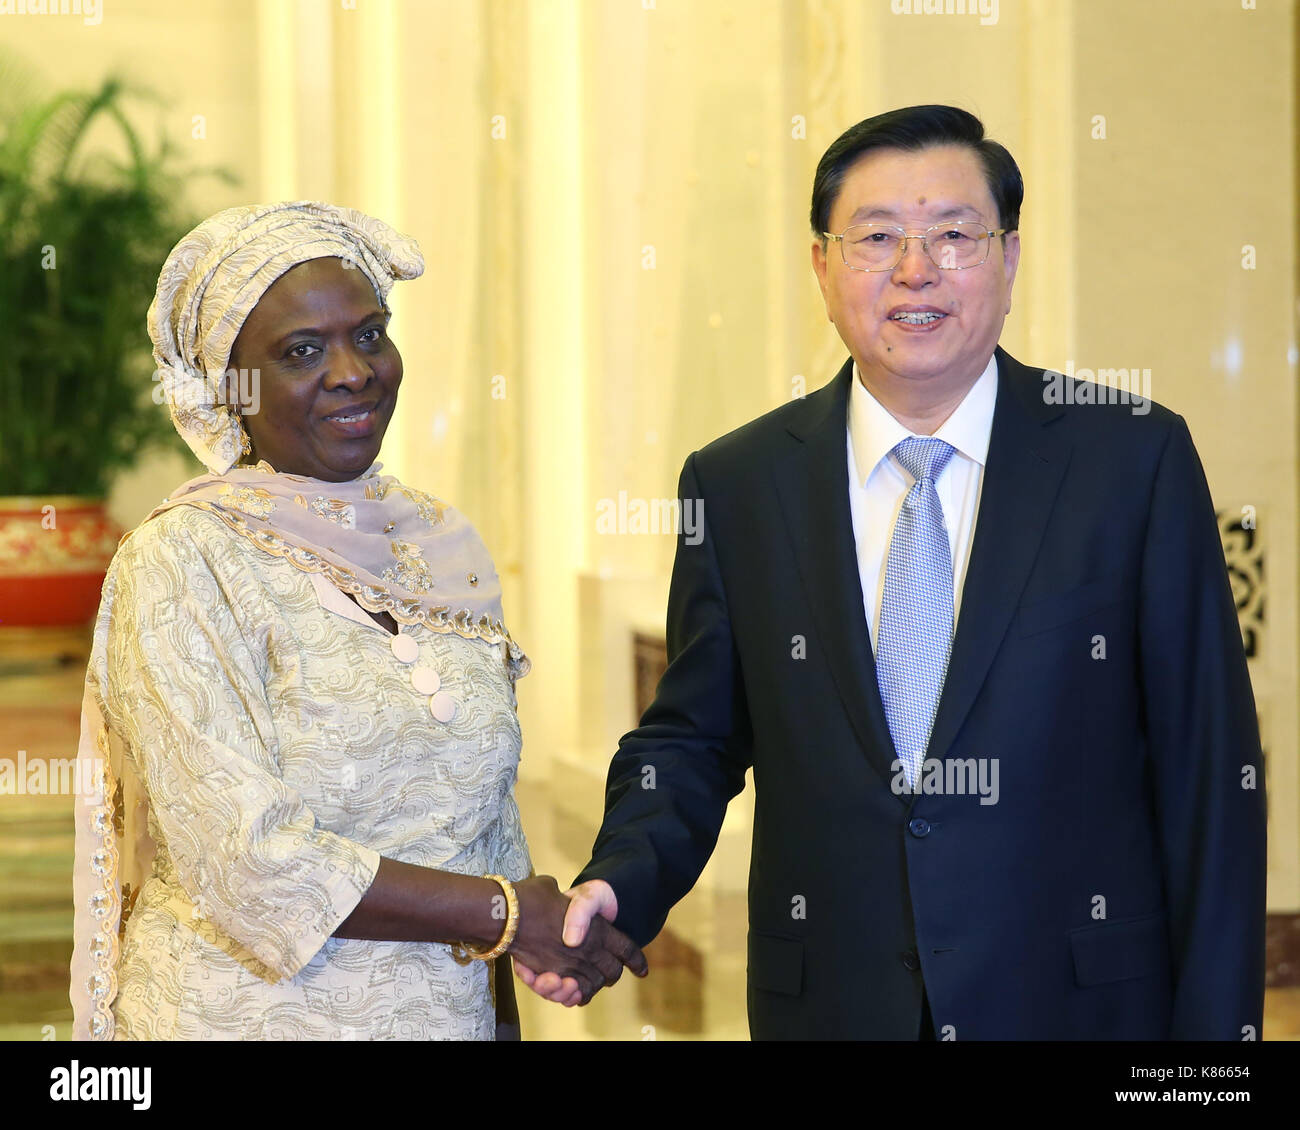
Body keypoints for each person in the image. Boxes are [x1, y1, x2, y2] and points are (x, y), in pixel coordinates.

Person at [516, 105, 1268, 1039]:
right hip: (831, 1006)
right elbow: (695, 738)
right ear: (822, 265)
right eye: (877, 237)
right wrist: (618, 882)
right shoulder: (742, 483)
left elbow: (1210, 778)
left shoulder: (1133, 462)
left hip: (1079, 1007)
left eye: (955, 234)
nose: (917, 270)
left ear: (1010, 256)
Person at [70, 201, 645, 1041]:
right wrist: (502, 913)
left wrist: (529, 941)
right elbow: (248, 862)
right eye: (302, 352)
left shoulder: (437, 540)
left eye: (369, 334)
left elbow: (479, 820)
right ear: (231, 387)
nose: (352, 371)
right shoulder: (183, 562)